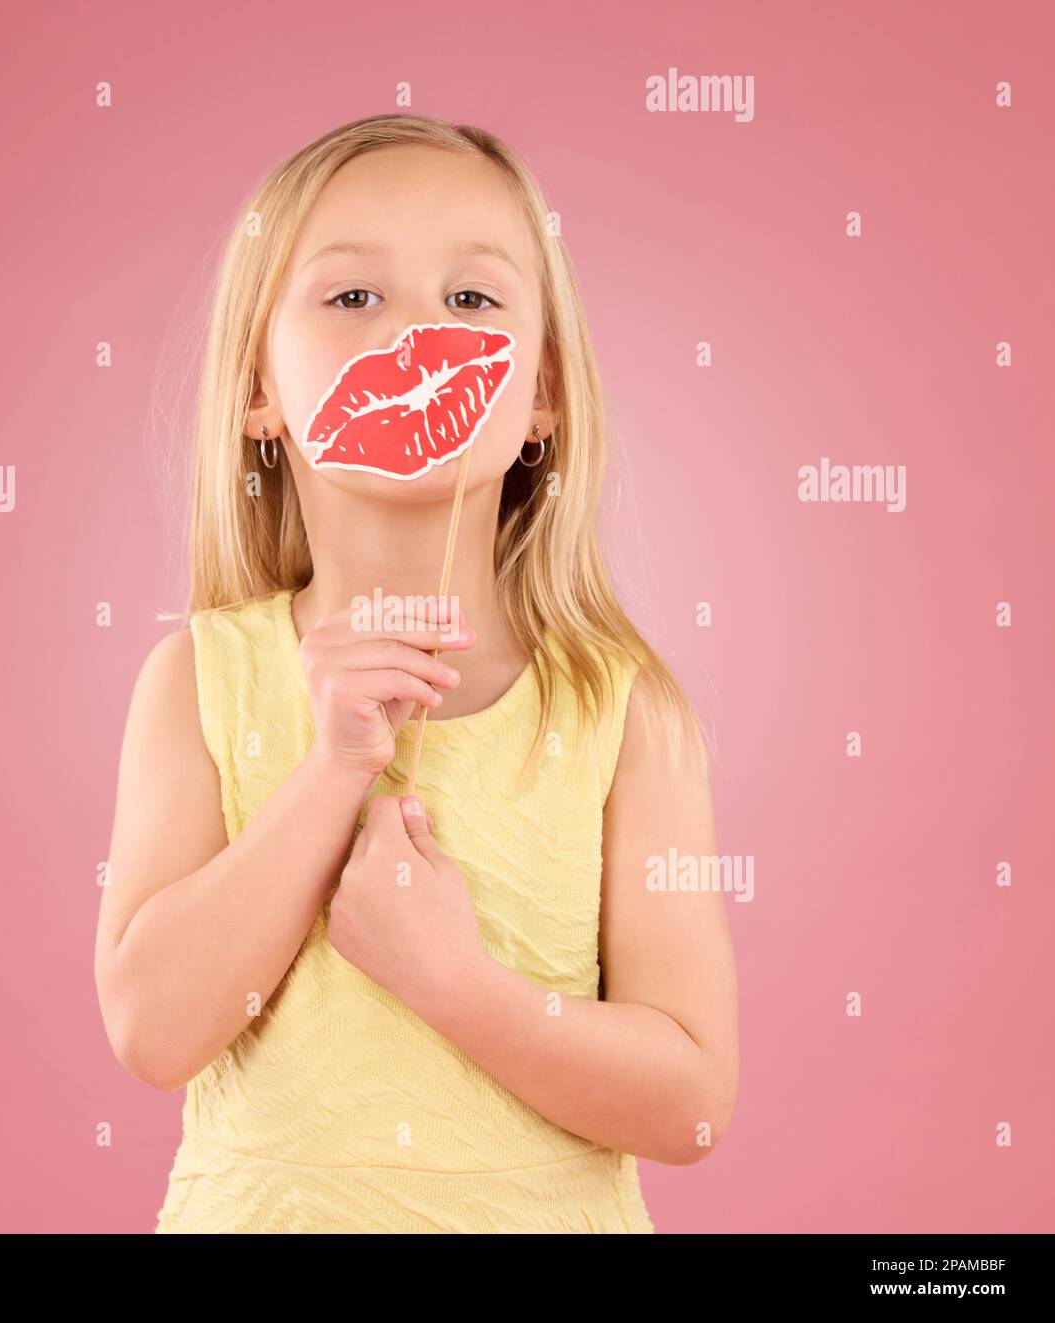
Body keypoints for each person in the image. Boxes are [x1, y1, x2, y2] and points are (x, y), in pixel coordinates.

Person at [94, 112, 739, 1233]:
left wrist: (456, 985)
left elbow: (688, 1105)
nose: (415, 339)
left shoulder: (622, 712)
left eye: (473, 301)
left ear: (539, 398)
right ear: (261, 395)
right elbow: (152, 1030)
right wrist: (333, 769)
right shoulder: (200, 680)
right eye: (352, 299)